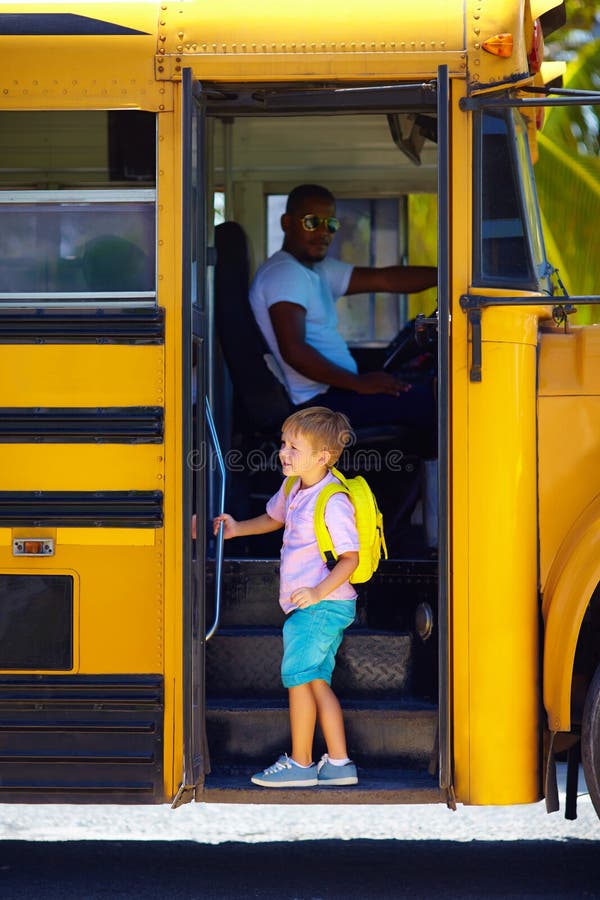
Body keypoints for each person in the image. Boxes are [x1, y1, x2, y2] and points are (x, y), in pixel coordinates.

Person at [213, 406, 360, 787]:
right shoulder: (293, 487)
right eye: (283, 443)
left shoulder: (333, 499)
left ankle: (302, 762)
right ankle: (339, 763)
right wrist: (235, 530)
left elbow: (350, 559)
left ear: (322, 457)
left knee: (301, 679)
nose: (284, 452)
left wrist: (316, 592)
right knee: (314, 681)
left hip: (320, 606)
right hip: (313, 606)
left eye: (294, 447)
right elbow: (274, 519)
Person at [249, 184, 437, 429]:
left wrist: (446, 276)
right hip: (318, 406)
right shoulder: (285, 273)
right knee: (437, 403)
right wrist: (359, 383)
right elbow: (294, 352)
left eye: (331, 224)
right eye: (312, 222)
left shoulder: (315, 269)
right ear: (286, 223)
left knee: (425, 393)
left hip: (336, 391)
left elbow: (385, 279)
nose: (323, 232)